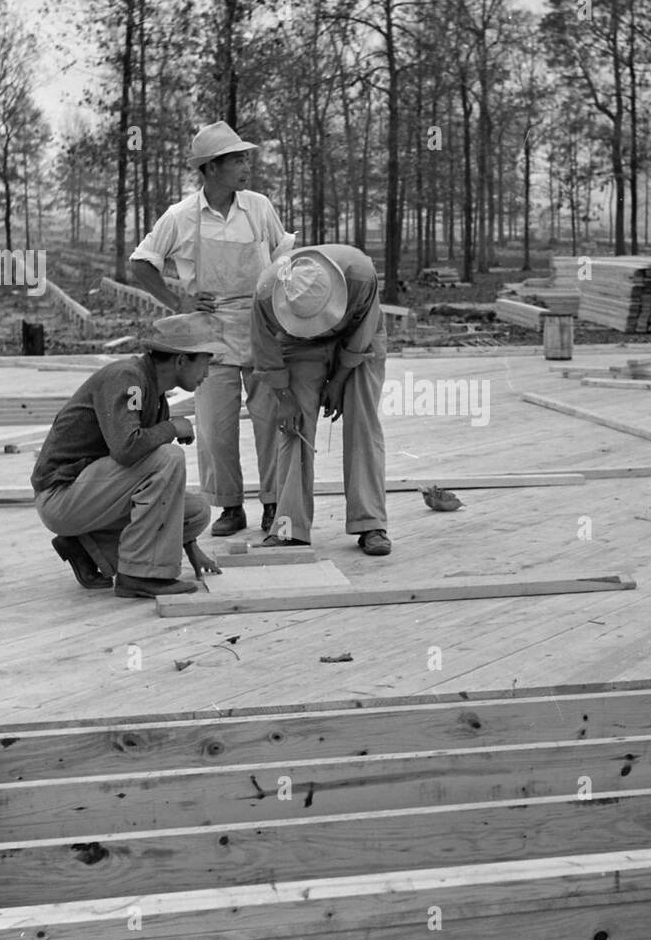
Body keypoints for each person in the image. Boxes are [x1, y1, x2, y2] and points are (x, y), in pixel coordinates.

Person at [129, 122, 294, 541]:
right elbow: (141, 262)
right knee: (215, 428)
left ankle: (274, 503)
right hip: (209, 333)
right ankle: (230, 506)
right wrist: (177, 302)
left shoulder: (258, 207)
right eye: (237, 159)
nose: (245, 165)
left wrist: (285, 313)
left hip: (261, 326)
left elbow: (283, 260)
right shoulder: (181, 216)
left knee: (269, 421)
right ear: (211, 168)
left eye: (244, 157)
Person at [31, 314, 224, 598]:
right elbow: (126, 449)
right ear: (181, 360)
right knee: (169, 457)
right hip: (61, 495)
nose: (206, 374)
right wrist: (172, 428)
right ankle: (138, 575)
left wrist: (191, 548)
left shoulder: (154, 395)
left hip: (89, 494)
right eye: (205, 363)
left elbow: (160, 492)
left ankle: (88, 549)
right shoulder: (128, 378)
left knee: (195, 513)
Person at [251, 245, 391, 556]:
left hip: (359, 340)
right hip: (298, 344)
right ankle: (289, 528)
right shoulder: (265, 292)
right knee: (293, 427)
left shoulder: (361, 276)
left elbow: (362, 336)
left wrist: (339, 380)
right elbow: (265, 351)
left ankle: (371, 523)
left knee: (362, 423)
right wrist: (283, 398)